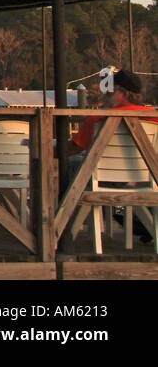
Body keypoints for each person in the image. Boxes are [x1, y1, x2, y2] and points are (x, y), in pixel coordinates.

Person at [66, 68, 156, 242]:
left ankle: (61, 227)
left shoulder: (101, 118)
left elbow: (73, 148)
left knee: (67, 165)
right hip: (146, 176)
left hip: (105, 178)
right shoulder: (154, 118)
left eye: (110, 89)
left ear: (123, 93)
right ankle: (146, 224)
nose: (105, 93)